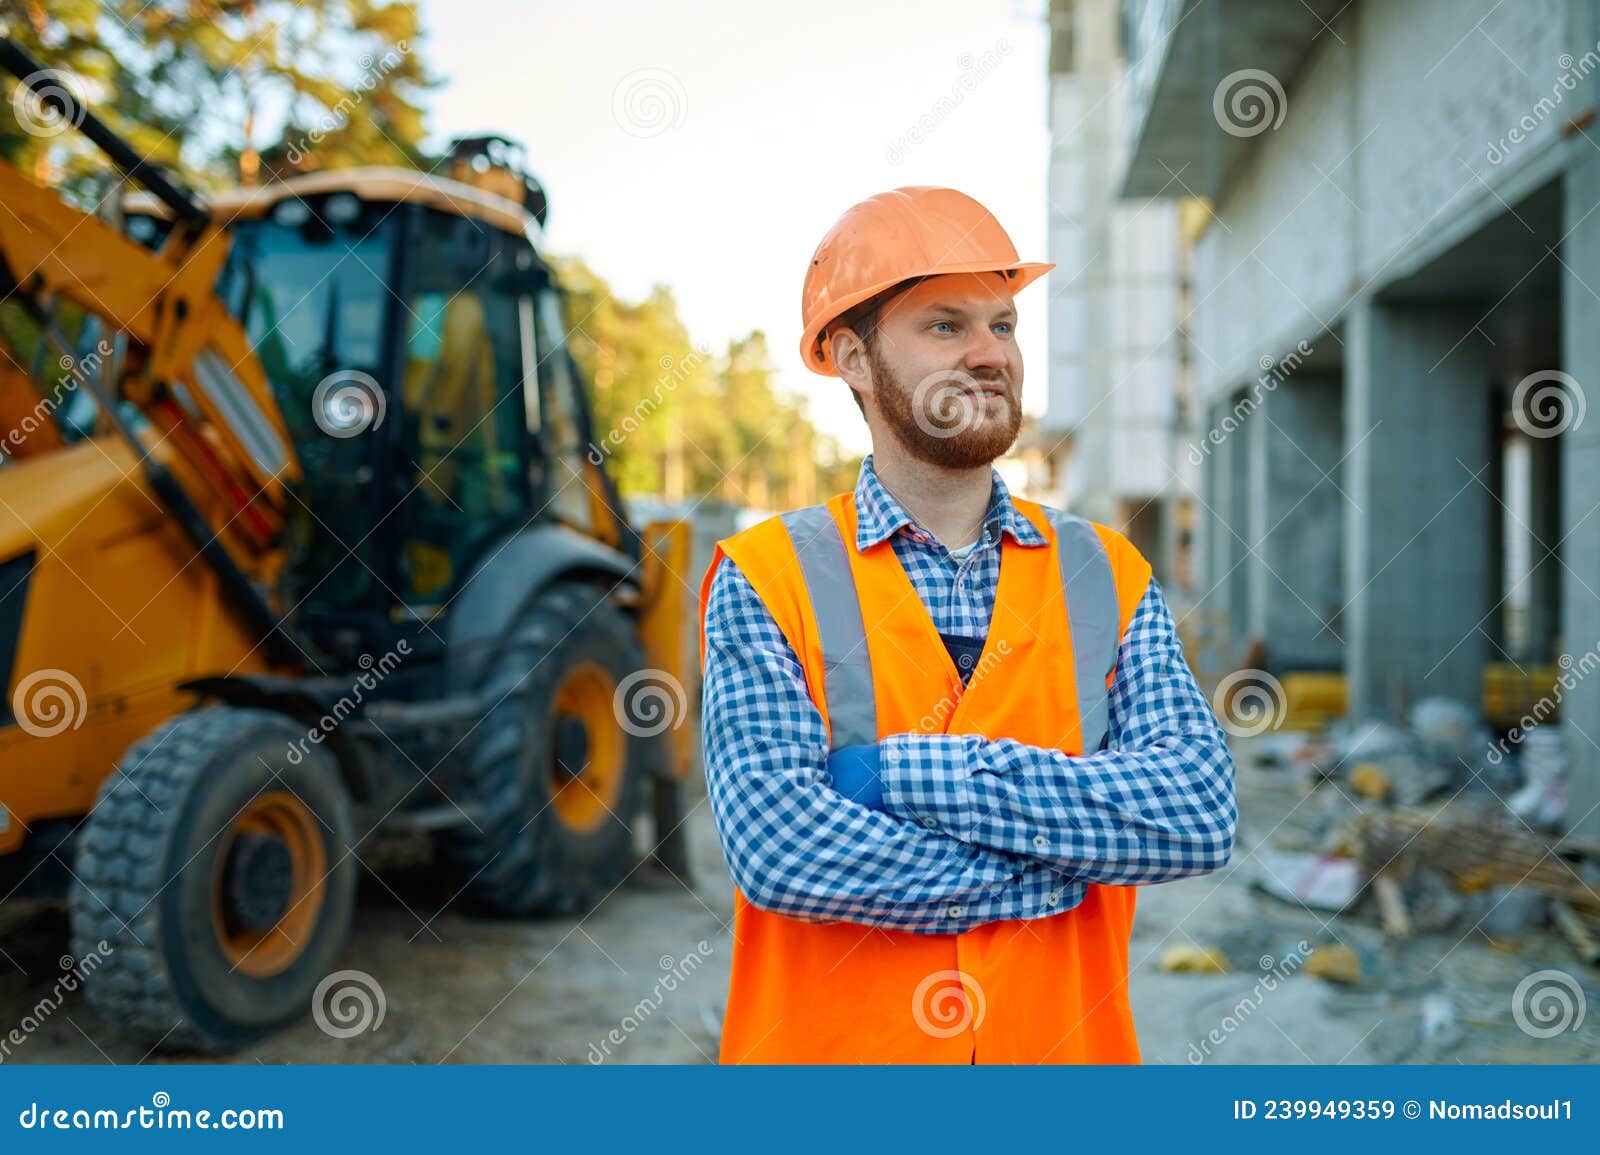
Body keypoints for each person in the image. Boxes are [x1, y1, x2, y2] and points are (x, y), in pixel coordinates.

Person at [698, 186, 1237, 1064]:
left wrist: (904, 773)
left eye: (1005, 324)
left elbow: (1196, 814)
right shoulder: (767, 576)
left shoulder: (1105, 572)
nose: (992, 354)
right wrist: (1050, 869)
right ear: (853, 359)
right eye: (946, 326)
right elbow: (782, 850)